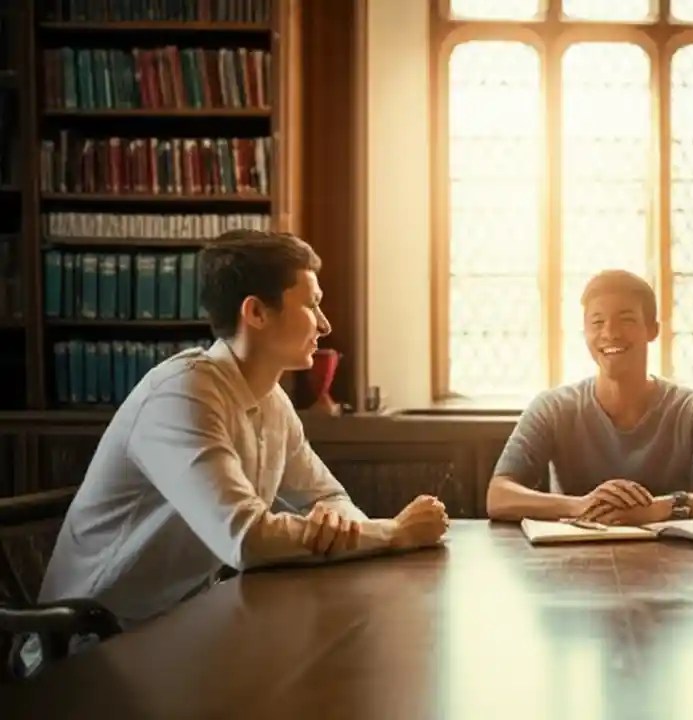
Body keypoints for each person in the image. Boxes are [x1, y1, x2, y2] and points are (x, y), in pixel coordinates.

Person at [38, 230, 450, 630]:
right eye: (311, 305)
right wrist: (392, 532)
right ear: (255, 312)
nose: (324, 325)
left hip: (182, 628)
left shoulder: (273, 402)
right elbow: (247, 539)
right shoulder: (183, 394)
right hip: (89, 646)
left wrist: (342, 525)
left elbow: (328, 496)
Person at [486, 269, 693, 525]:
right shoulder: (552, 407)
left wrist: (662, 508)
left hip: (671, 563)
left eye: (626, 320)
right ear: (585, 333)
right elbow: (498, 495)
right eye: (597, 322)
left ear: (652, 330)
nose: (610, 333)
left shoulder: (692, 409)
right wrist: (579, 506)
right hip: (571, 561)